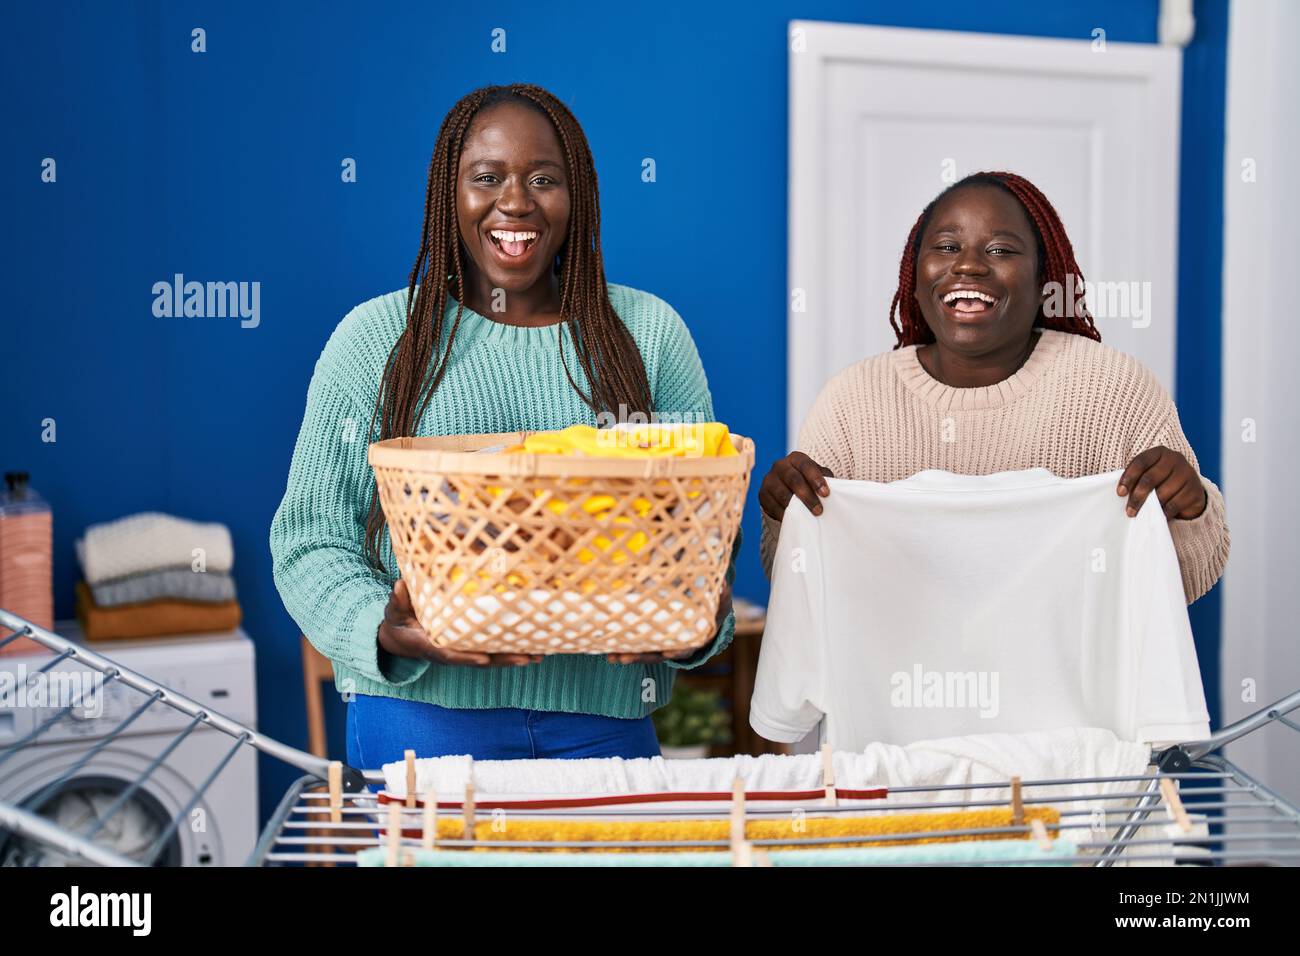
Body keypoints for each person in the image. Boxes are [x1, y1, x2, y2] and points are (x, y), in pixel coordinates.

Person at [270, 84, 736, 770]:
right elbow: (311, 540)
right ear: (446, 196)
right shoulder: (374, 342)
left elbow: (701, 545)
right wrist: (386, 627)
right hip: (423, 717)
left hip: (603, 723)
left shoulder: (650, 334)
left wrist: (693, 625)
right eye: (486, 178)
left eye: (544, 179)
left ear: (578, 197)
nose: (514, 202)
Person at [758, 171, 1228, 603]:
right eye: (945, 247)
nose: (969, 266)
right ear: (913, 276)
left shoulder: (1115, 390)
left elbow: (1183, 583)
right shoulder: (851, 401)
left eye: (1001, 250)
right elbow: (802, 587)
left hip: (1074, 690)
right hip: (887, 690)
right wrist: (786, 515)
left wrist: (1190, 508)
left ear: (1045, 280)